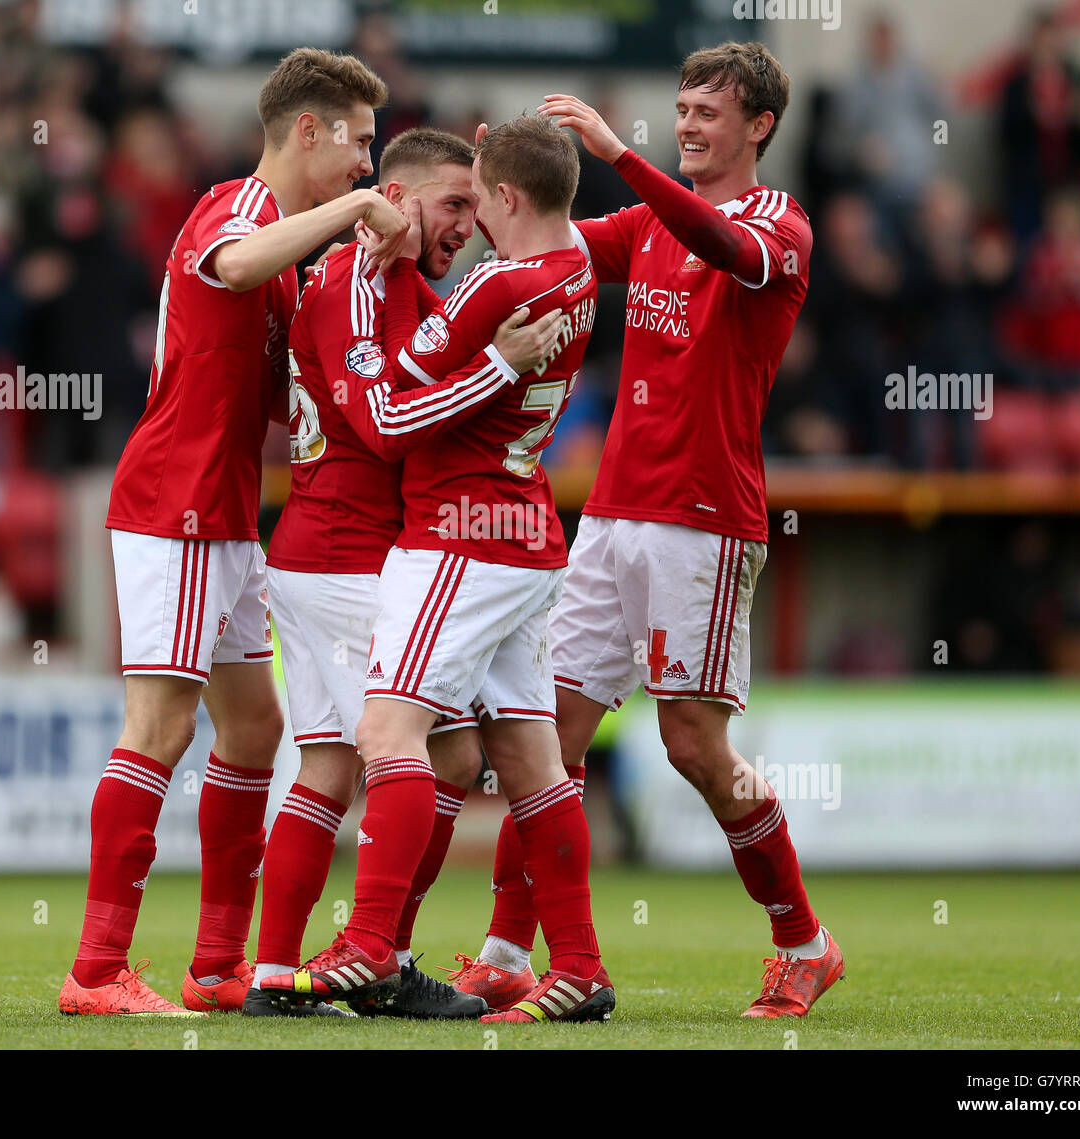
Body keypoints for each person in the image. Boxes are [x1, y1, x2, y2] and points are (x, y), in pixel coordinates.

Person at [451, 42, 845, 1019]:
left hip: (703, 522)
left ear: (757, 126)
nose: (687, 124)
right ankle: (505, 950)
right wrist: (500, 190)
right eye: (681, 107)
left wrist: (617, 154)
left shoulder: (777, 225)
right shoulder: (646, 222)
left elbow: (715, 241)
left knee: (694, 746)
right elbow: (553, 246)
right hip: (613, 515)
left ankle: (803, 939)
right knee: (543, 740)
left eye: (708, 112)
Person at [60, 48, 410, 1017]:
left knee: (255, 724)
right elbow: (238, 263)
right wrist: (350, 217)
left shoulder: (289, 254)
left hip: (224, 518)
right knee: (159, 725)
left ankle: (216, 963)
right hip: (172, 504)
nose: (362, 168)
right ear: (309, 131)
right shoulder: (238, 212)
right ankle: (94, 969)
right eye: (357, 145)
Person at [260, 115, 617, 1025]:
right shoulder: (573, 263)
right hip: (522, 529)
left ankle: (370, 944)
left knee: (382, 741)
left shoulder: (491, 288)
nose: (467, 224)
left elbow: (392, 415)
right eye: (446, 202)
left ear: (505, 197)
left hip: (457, 536)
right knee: (526, 761)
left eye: (476, 199)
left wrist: (492, 361)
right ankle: (576, 965)